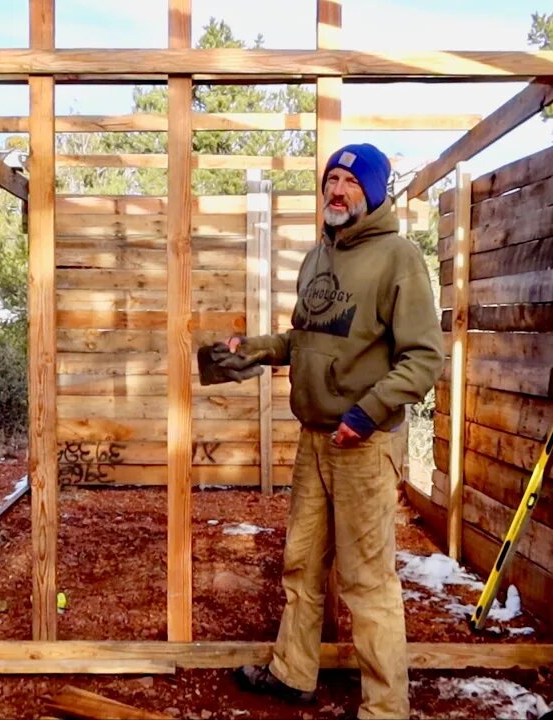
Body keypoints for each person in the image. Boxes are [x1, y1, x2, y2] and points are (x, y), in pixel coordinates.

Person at [219, 143, 445, 720]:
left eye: (348, 180)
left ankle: (385, 708)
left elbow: (423, 358)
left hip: (364, 443)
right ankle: (294, 673)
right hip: (316, 436)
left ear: (372, 191)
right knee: (301, 561)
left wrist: (365, 414)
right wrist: (255, 349)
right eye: (331, 180)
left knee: (366, 580)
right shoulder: (318, 257)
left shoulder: (398, 258)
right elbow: (304, 340)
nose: (336, 190)